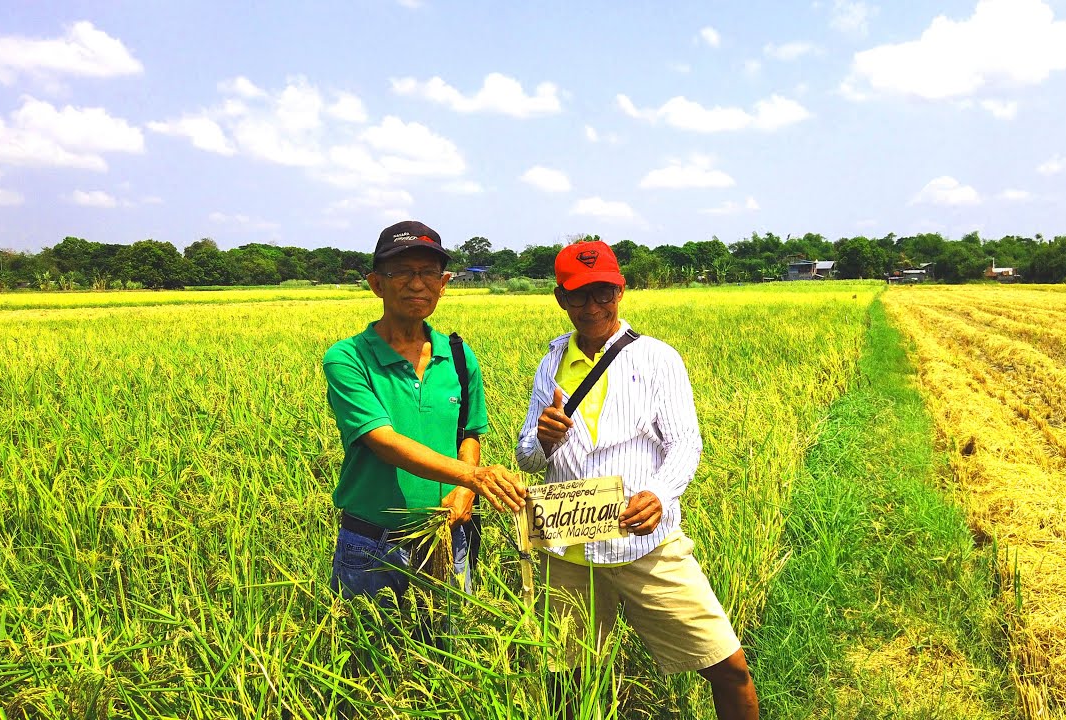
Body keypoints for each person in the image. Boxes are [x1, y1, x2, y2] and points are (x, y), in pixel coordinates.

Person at [515, 240, 759, 720]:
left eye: (602, 293)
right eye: (579, 295)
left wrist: (661, 494)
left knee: (728, 668)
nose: (592, 307)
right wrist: (543, 439)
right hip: (567, 548)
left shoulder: (656, 358)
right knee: (570, 679)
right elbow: (526, 457)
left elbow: (685, 443)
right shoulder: (551, 363)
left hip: (644, 541)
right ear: (561, 299)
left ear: (620, 291)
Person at [323, 220, 526, 626]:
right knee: (372, 668)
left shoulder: (458, 353)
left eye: (428, 273)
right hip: (372, 542)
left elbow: (468, 432)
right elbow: (383, 441)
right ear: (376, 284)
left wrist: (464, 491)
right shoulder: (347, 358)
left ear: (444, 283)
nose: (417, 284)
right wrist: (475, 477)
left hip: (448, 540)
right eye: (402, 272)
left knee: (452, 653)